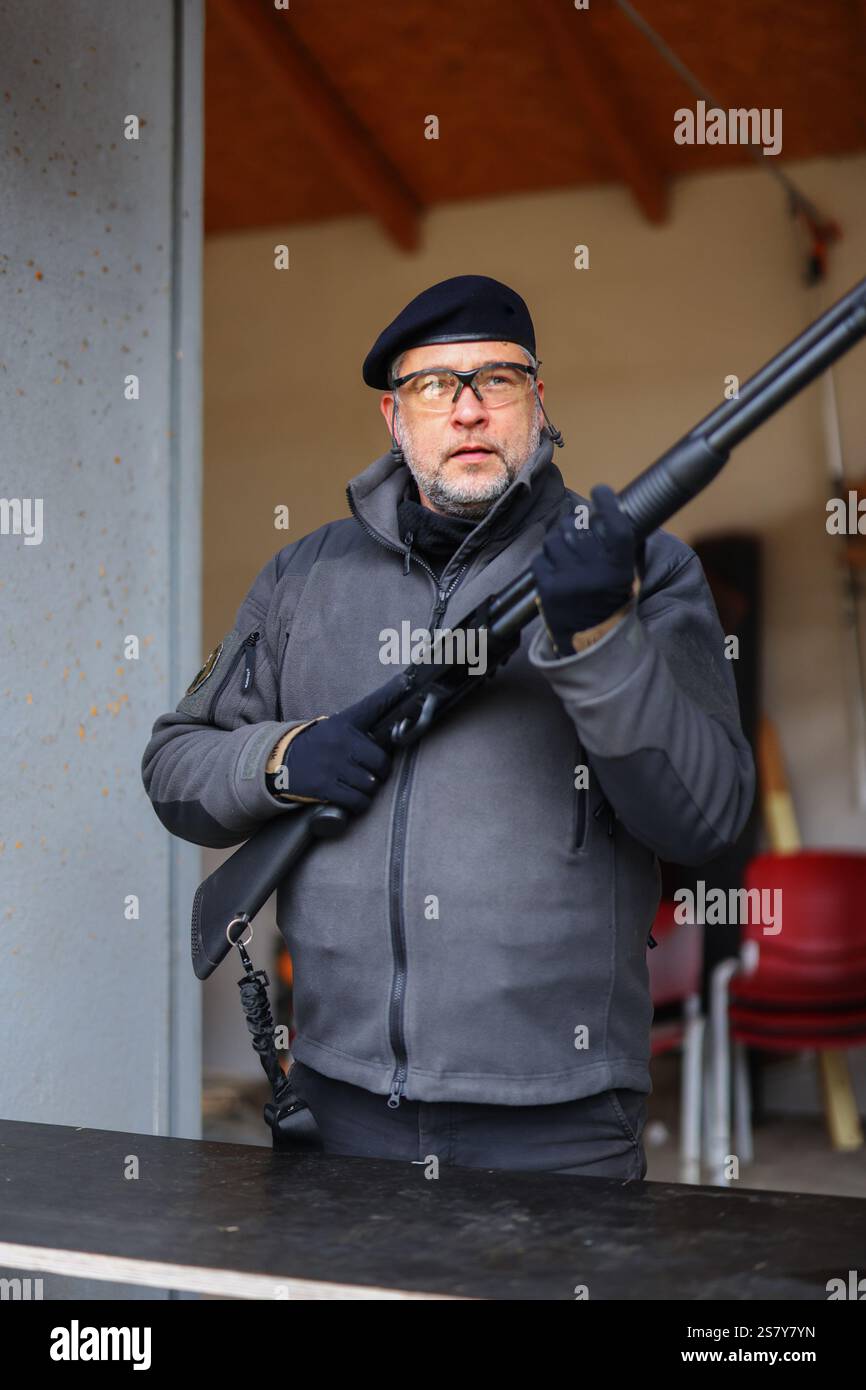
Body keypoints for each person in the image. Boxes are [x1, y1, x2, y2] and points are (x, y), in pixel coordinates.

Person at [141, 275, 755, 1181]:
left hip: (559, 1117)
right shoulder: (301, 577)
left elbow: (705, 816)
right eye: (436, 386)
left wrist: (600, 637)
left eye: (497, 380)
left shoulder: (644, 571)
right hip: (339, 1101)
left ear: (538, 404)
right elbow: (174, 763)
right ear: (395, 418)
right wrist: (279, 757)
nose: (468, 409)